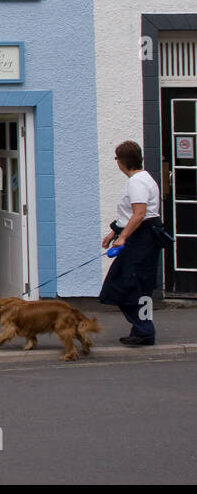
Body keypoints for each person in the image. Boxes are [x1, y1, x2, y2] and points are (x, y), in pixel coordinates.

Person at [99, 140, 164, 346]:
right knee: (138, 287)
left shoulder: (137, 182)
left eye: (116, 158)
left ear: (121, 161)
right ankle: (143, 330)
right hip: (140, 237)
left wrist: (123, 237)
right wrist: (114, 232)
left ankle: (144, 329)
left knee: (122, 286)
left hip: (140, 240)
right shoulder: (143, 179)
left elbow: (139, 214)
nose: (116, 162)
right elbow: (130, 216)